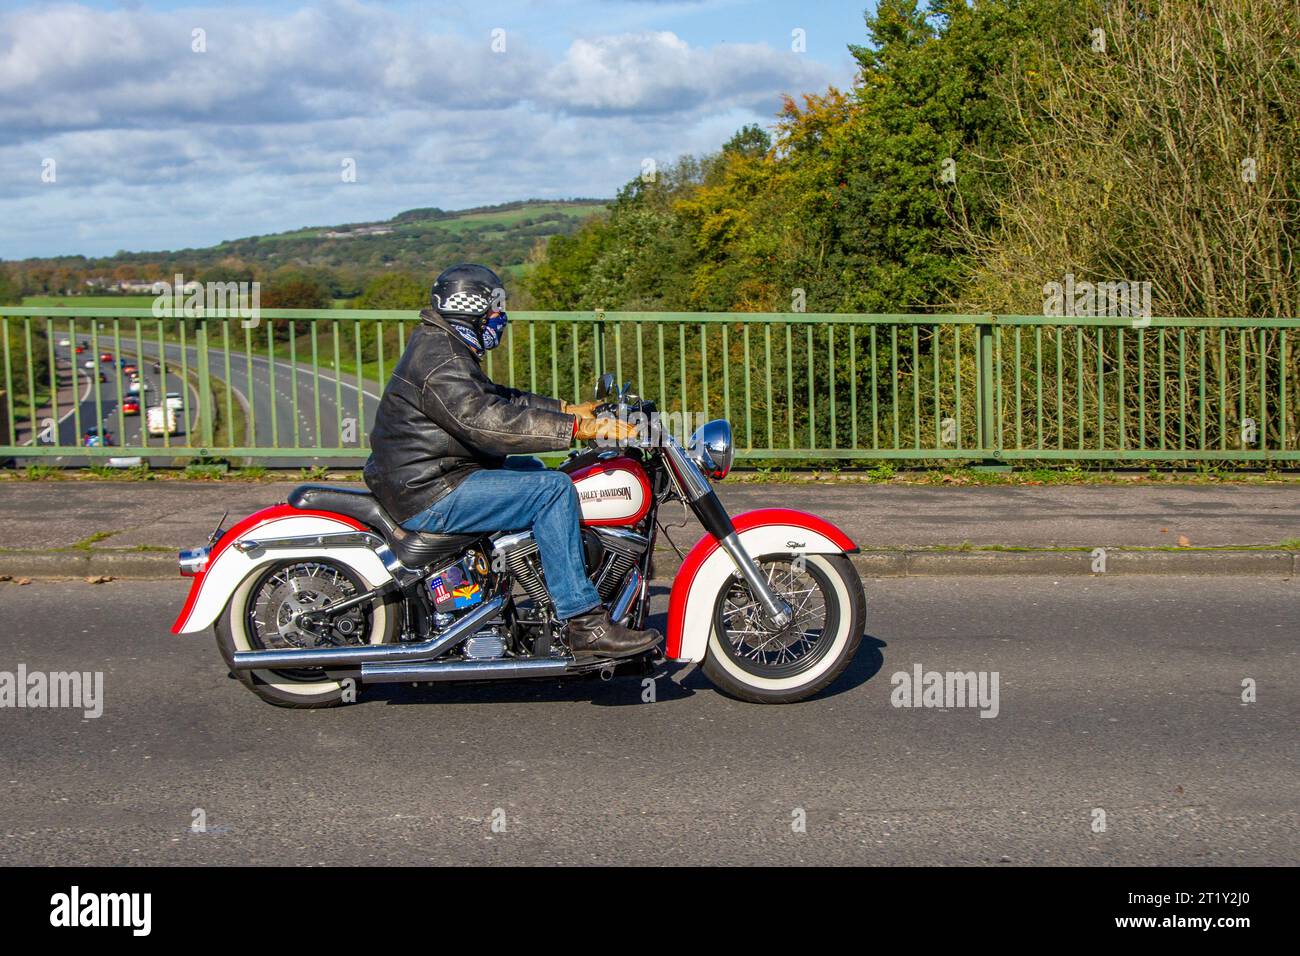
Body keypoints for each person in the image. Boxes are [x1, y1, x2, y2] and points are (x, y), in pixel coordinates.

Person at [363, 263, 661, 659]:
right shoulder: (440, 357)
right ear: (468, 309)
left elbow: (497, 398)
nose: (500, 319)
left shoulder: (444, 345)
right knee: (552, 492)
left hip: (430, 475)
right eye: (493, 310)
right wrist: (578, 429)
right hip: (429, 490)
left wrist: (569, 409)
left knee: (535, 471)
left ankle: (516, 583)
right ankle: (584, 623)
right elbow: (485, 421)